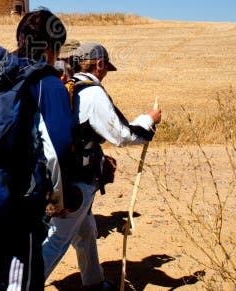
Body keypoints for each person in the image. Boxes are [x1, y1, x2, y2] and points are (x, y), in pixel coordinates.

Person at [42, 42, 162, 291]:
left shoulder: (66, 86)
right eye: (106, 67)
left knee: (86, 231)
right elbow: (121, 135)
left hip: (59, 174)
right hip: (76, 181)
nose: (106, 72)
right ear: (99, 64)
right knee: (56, 241)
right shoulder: (93, 93)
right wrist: (148, 121)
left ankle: (94, 281)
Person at [0, 9, 77, 291]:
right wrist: (60, 200)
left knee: (17, 268)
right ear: (50, 47)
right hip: (21, 197)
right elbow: (58, 147)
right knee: (19, 278)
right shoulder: (47, 83)